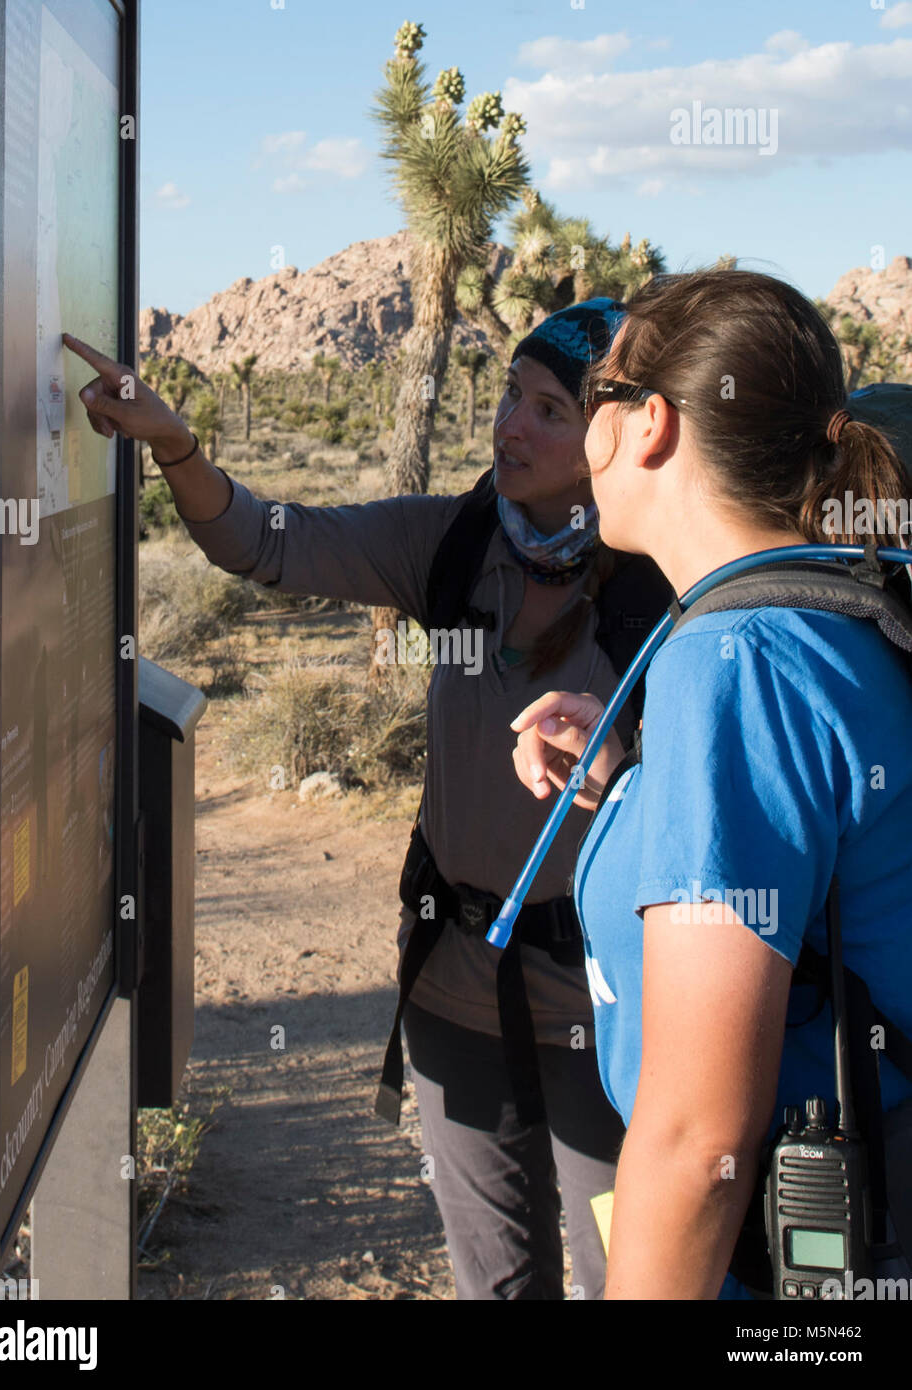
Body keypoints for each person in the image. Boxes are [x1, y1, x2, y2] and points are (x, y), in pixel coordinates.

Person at [63, 300, 670, 1300]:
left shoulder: (662, 590)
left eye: (550, 409)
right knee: (498, 1279)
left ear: (612, 432)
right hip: (453, 995)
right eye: (511, 395)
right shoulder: (455, 540)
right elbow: (266, 542)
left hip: (610, 1022)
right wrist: (176, 446)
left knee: (633, 1278)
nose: (510, 426)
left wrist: (623, 775)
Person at [510, 269, 912, 1299]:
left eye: (595, 393)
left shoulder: (734, 661)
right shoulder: (825, 611)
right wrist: (648, 783)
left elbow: (696, 1143)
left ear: (648, 424)